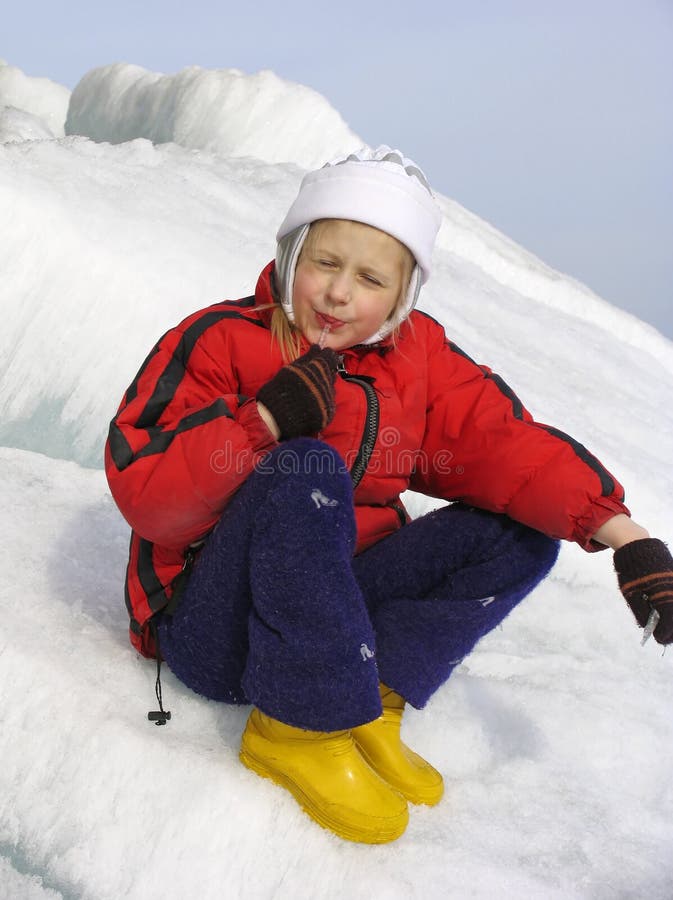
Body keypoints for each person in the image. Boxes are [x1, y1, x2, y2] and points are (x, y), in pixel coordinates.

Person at [105, 146, 673, 844]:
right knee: (304, 468)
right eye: (323, 263)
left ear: (401, 297)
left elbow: (507, 448)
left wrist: (625, 534)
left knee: (515, 530)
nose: (339, 293)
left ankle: (368, 701)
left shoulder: (416, 357)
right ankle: (298, 730)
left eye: (370, 278)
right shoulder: (222, 340)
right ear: (289, 257)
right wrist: (260, 426)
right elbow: (146, 491)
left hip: (330, 614)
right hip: (212, 630)